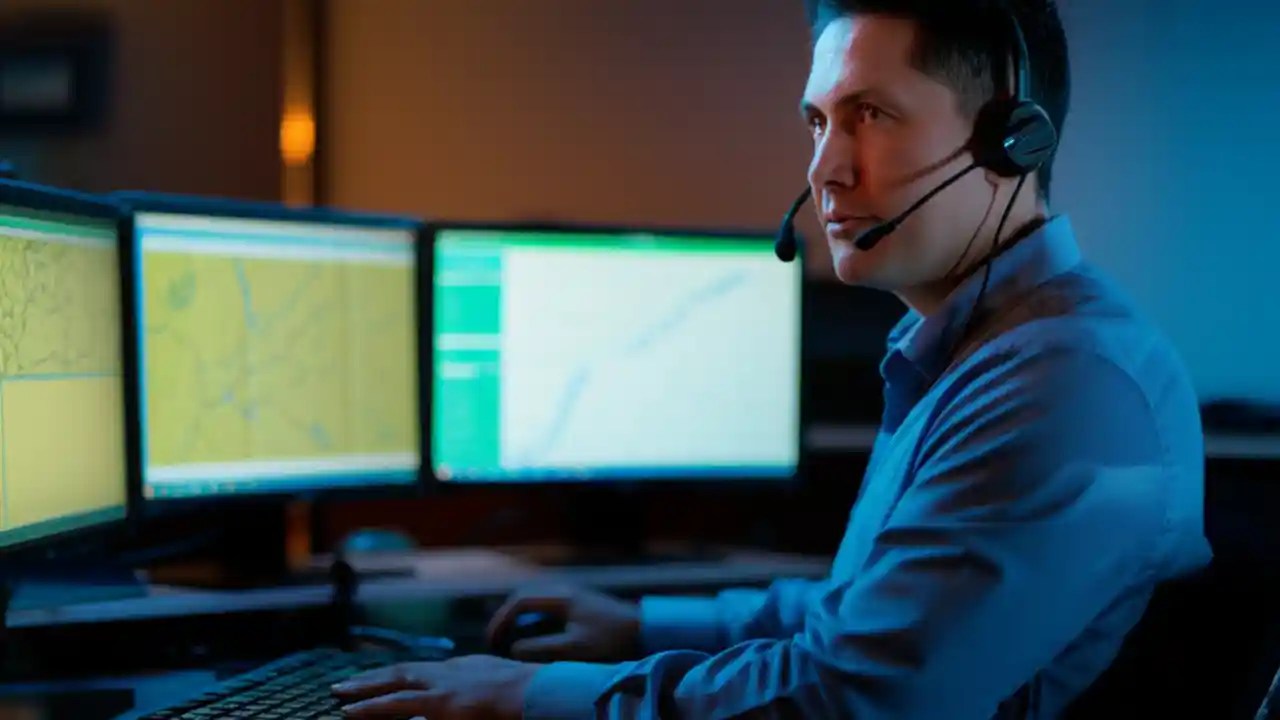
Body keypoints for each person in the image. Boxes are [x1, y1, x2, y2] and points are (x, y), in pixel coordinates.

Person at [332, 0, 1214, 717]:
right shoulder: (975, 350)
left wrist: (532, 695)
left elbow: (851, 696)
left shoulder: (1061, 384)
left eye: (870, 115)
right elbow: (866, 615)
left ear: (1010, 141)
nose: (826, 169)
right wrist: (641, 624)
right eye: (817, 122)